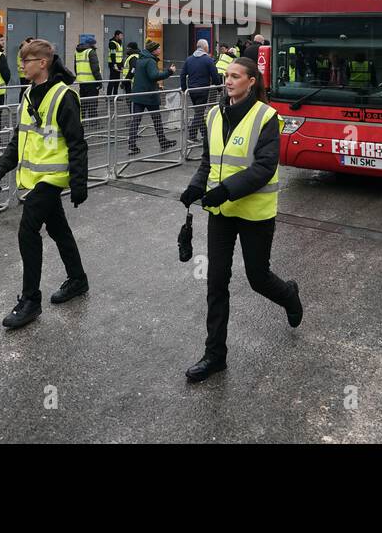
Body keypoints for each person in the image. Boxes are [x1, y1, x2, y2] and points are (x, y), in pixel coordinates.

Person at [178, 56, 302, 382]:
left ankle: (289, 295)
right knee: (216, 282)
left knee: (257, 278)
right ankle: (215, 355)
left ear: (251, 82)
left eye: (235, 76)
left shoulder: (266, 117)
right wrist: (194, 187)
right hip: (221, 214)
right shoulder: (213, 115)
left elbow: (264, 167)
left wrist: (225, 190)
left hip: (254, 214)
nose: (228, 81)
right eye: (226, 75)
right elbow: (208, 161)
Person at [0, 39, 89, 329]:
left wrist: (79, 183)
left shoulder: (63, 96)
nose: (22, 66)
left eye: (27, 61)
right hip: (34, 178)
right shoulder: (28, 93)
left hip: (53, 177)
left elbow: (77, 143)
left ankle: (31, 301)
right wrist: (3, 165)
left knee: (27, 230)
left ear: (42, 63)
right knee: (58, 227)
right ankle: (78, 279)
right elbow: (19, 135)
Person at [127, 40, 177, 156]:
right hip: (149, 96)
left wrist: (156, 85)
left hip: (138, 95)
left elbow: (144, 77)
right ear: (153, 50)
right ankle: (163, 142)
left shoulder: (141, 59)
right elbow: (154, 75)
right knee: (157, 120)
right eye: (158, 48)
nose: (160, 50)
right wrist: (169, 71)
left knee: (136, 121)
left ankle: (132, 145)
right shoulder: (150, 61)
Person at [181, 38, 221, 144]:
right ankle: (192, 135)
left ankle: (204, 134)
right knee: (199, 113)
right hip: (203, 90)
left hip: (191, 91)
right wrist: (219, 88)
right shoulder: (208, 60)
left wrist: (184, 89)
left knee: (199, 112)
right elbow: (215, 76)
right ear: (205, 48)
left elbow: (182, 74)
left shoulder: (189, 59)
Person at [73, 34, 103, 125]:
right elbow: (95, 68)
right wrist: (99, 81)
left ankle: (82, 120)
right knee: (93, 102)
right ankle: (93, 121)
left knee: (83, 101)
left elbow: (75, 67)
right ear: (92, 44)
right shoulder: (91, 52)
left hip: (82, 81)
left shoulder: (77, 52)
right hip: (91, 81)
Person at [107, 29, 126, 95]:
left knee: (117, 80)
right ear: (116, 35)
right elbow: (113, 54)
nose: (122, 36)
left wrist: (122, 64)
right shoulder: (112, 43)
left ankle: (115, 95)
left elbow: (120, 55)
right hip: (113, 63)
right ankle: (109, 95)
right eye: (121, 35)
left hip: (119, 63)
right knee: (112, 80)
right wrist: (114, 64)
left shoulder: (120, 42)